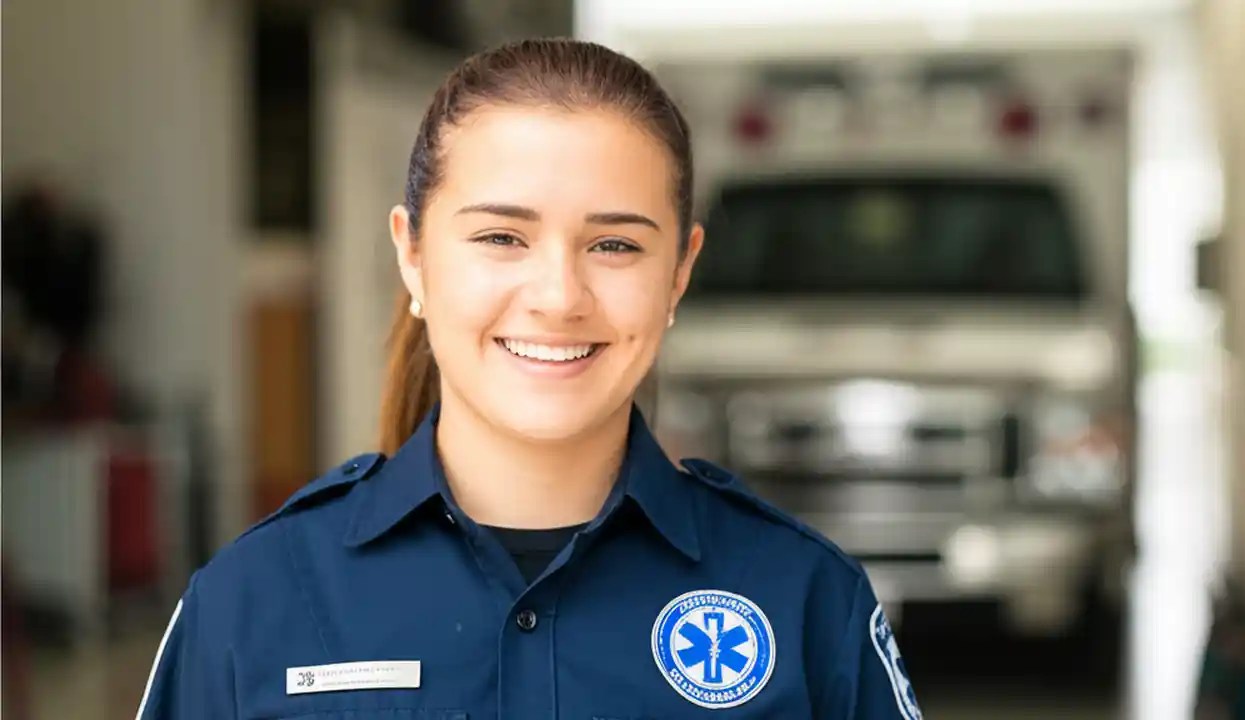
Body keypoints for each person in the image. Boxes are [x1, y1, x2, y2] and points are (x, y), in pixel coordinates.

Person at [135, 38, 922, 719]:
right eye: (503, 236)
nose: (557, 297)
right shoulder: (251, 601)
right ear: (412, 255)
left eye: (614, 246)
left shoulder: (803, 600)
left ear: (680, 272)